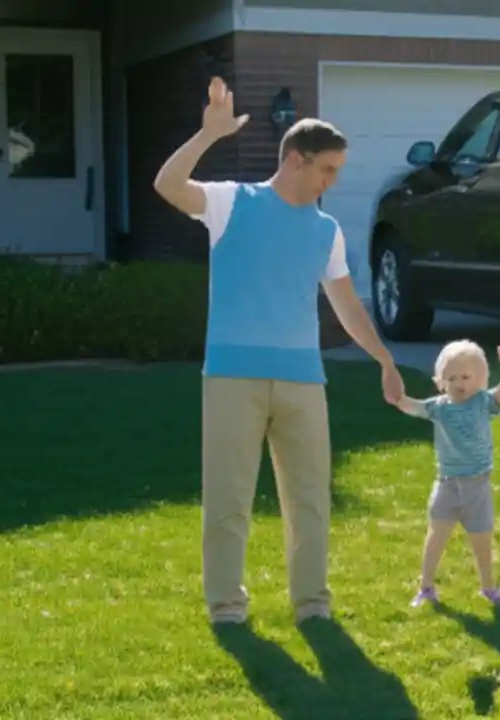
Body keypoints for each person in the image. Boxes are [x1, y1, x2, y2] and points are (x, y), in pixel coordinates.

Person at [152, 76, 406, 626]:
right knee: (228, 502)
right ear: (295, 158)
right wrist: (206, 135)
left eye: (336, 171)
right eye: (326, 169)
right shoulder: (230, 202)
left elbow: (345, 304)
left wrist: (383, 358)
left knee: (310, 503)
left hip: (302, 382)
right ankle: (226, 608)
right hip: (232, 377)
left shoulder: (326, 230)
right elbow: (168, 184)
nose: (331, 182)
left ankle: (313, 606)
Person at [390, 338, 500, 607]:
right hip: (446, 483)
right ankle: (426, 587)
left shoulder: (483, 402)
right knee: (436, 535)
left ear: (481, 378)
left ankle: (488, 588)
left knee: (481, 538)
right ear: (440, 381)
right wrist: (398, 399)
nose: (459, 383)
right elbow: (413, 406)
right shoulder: (439, 406)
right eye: (452, 377)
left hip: (477, 485)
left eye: (466, 376)